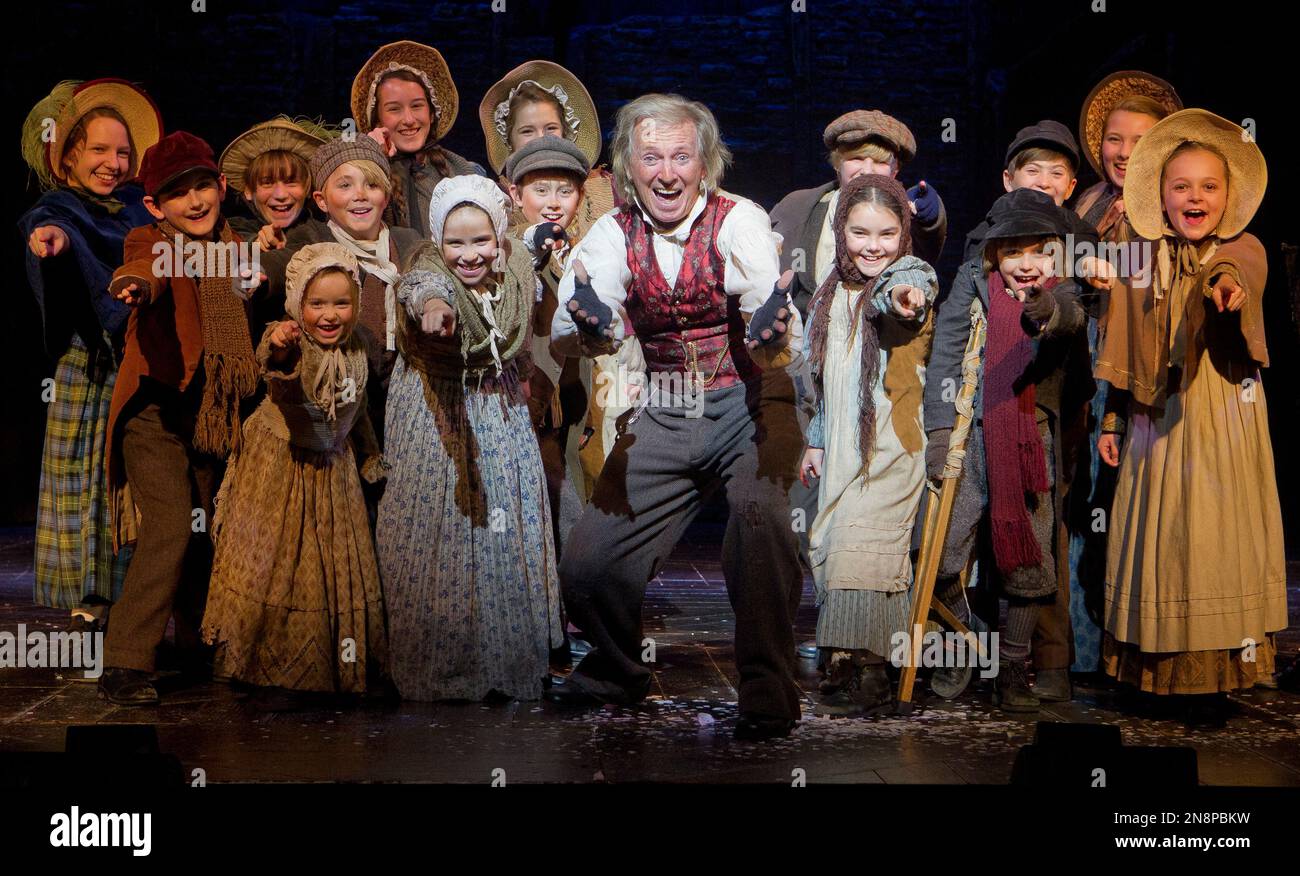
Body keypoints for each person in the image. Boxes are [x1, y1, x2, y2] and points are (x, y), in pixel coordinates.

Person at [547, 94, 809, 741]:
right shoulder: (612, 233)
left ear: (705, 163)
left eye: (681, 156)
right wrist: (594, 322)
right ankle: (616, 672)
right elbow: (581, 312)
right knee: (588, 564)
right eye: (651, 157)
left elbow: (765, 310)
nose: (667, 172)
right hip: (666, 403)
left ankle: (767, 688)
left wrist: (771, 328)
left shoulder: (737, 219)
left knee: (763, 528)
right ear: (627, 167)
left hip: (747, 398)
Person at [1096, 109, 1286, 726]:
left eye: (1208, 186)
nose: (1195, 197)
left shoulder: (1243, 246)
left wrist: (1226, 289)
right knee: (1154, 533)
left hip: (1221, 413)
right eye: (1182, 186)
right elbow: (1124, 347)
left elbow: (1242, 274)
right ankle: (1147, 670)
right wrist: (1111, 422)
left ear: (1228, 197)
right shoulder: (1140, 258)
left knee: (1211, 536)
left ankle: (1211, 680)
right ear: (1162, 195)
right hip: (1157, 417)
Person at [379, 174, 562, 701]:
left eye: (481, 241)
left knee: (503, 534)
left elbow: (531, 258)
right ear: (439, 241)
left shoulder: (518, 266)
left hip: (498, 404)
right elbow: (424, 291)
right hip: (439, 408)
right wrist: (437, 309)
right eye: (455, 242)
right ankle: (440, 667)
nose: (468, 254)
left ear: (498, 237)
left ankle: (504, 664)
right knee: (438, 531)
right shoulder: (428, 268)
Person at [98, 132, 261, 705]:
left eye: (201, 188)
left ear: (220, 187)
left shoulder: (236, 245)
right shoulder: (150, 239)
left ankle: (197, 645)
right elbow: (144, 269)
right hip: (153, 411)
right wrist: (134, 285)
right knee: (170, 525)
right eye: (177, 194)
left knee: (203, 528)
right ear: (154, 206)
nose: (193, 203)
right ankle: (125, 660)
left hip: (209, 410)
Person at [925, 188, 1090, 712]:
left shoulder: (1063, 288)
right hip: (969, 432)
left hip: (1029, 439)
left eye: (1039, 249)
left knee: (1028, 557)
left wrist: (1044, 308)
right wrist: (936, 435)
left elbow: (1069, 316)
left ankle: (1013, 665)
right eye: (1013, 251)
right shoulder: (972, 282)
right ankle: (960, 640)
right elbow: (946, 355)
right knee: (940, 552)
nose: (1026, 263)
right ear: (994, 253)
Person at [202, 243, 387, 696]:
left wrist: (368, 454)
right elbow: (274, 363)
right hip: (279, 464)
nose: (329, 315)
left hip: (332, 466)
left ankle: (326, 665)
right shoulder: (288, 337)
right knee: (274, 564)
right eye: (316, 304)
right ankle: (261, 661)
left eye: (341, 303)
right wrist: (282, 344)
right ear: (298, 304)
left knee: (326, 570)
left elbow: (357, 407)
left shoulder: (359, 345)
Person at [19, 78, 161, 632]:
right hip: (88, 361)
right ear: (70, 154)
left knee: (126, 476)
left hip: (136, 355)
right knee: (84, 472)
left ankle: (129, 589)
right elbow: (43, 227)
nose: (114, 161)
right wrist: (48, 240)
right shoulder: (60, 208)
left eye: (123, 151)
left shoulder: (133, 208)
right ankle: (88, 591)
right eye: (100, 149)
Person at [798, 174, 938, 716]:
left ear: (904, 232)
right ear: (841, 232)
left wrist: (907, 297)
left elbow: (905, 292)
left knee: (869, 547)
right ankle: (843, 656)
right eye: (860, 232)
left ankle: (876, 664)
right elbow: (825, 380)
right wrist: (815, 440)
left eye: (886, 232)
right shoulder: (832, 291)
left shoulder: (907, 273)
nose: (873, 245)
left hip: (889, 444)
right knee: (832, 540)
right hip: (841, 444)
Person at [480, 60, 642, 509]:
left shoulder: (601, 214)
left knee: (591, 469)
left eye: (552, 128)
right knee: (546, 483)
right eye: (528, 133)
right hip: (534, 384)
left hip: (596, 378)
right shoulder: (498, 225)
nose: (553, 201)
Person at [1067, 71, 1182, 676]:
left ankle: (1132, 654)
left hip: (1132, 376)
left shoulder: (1164, 215)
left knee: (1125, 515)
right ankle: (1085, 657)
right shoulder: (1085, 202)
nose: (1124, 152)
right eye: (1115, 139)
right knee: (1081, 512)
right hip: (1079, 366)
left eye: (1141, 140)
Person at [351, 40, 485, 237]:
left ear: (431, 114)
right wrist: (373, 160)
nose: (408, 120)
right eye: (394, 109)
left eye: (417, 106)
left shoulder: (463, 171)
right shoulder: (360, 174)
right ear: (378, 121)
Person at [219, 117, 329, 249]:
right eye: (267, 183)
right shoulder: (229, 229)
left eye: (291, 182)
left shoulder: (328, 230)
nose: (281, 195)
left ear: (307, 188)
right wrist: (255, 244)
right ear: (248, 190)